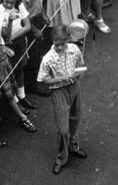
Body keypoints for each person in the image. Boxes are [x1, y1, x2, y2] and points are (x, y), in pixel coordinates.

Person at [37, 25, 86, 175]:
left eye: (62, 44)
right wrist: (61, 78)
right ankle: (61, 158)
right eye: (56, 44)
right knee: (63, 130)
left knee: (75, 119)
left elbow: (81, 65)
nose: (59, 47)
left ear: (68, 40)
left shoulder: (74, 49)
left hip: (74, 87)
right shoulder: (47, 59)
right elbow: (43, 80)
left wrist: (78, 75)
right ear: (52, 41)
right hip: (59, 92)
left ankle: (73, 147)